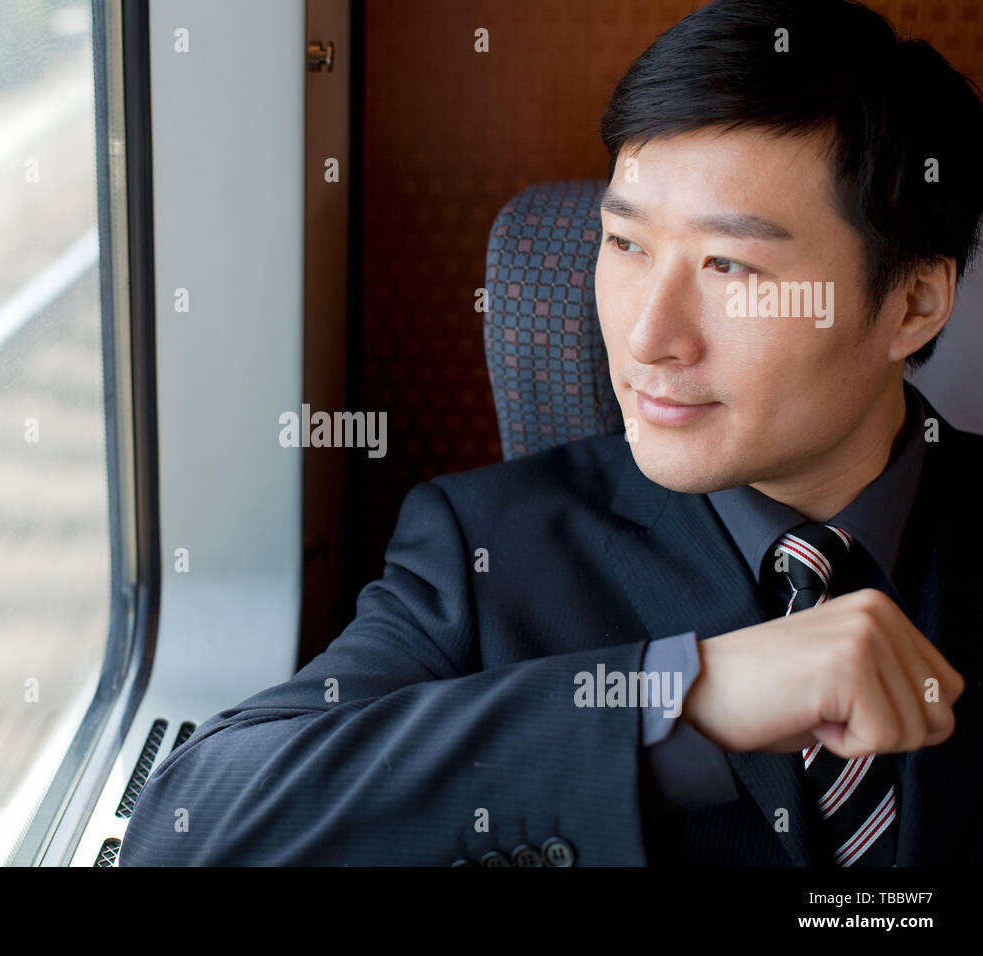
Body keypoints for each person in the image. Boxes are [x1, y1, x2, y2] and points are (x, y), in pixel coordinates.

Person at [117, 0, 983, 866]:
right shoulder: (486, 550)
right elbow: (194, 823)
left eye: (731, 266)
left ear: (912, 302)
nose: (647, 337)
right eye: (625, 243)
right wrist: (675, 700)